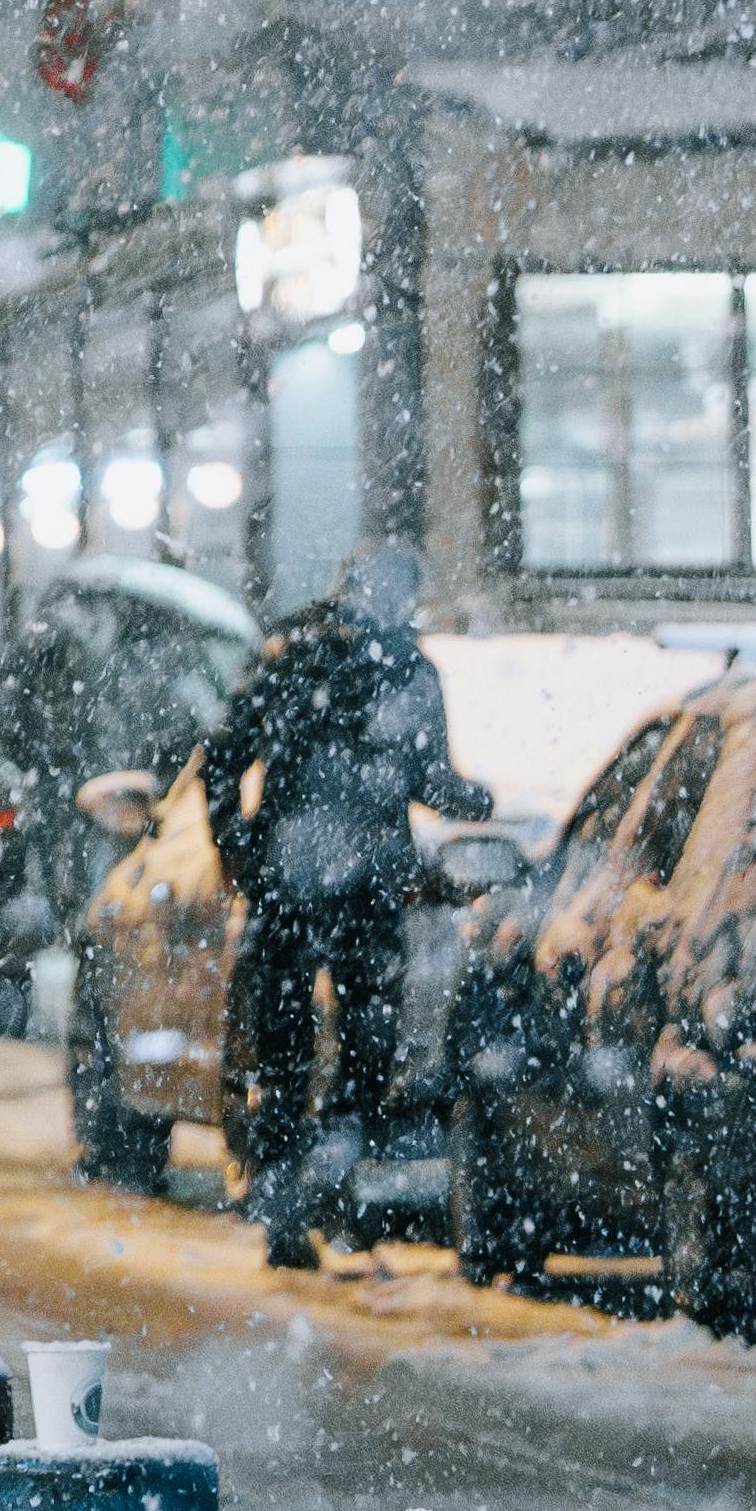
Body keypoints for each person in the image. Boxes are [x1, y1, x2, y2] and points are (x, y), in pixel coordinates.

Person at [202, 537, 487, 1270]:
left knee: (284, 1048)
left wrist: (237, 844)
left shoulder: (291, 653)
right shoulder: (407, 669)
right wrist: (477, 799)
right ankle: (332, 1180)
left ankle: (282, 1204)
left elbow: (224, 753)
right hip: (362, 887)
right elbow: (430, 778)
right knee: (364, 1046)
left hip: (288, 885)